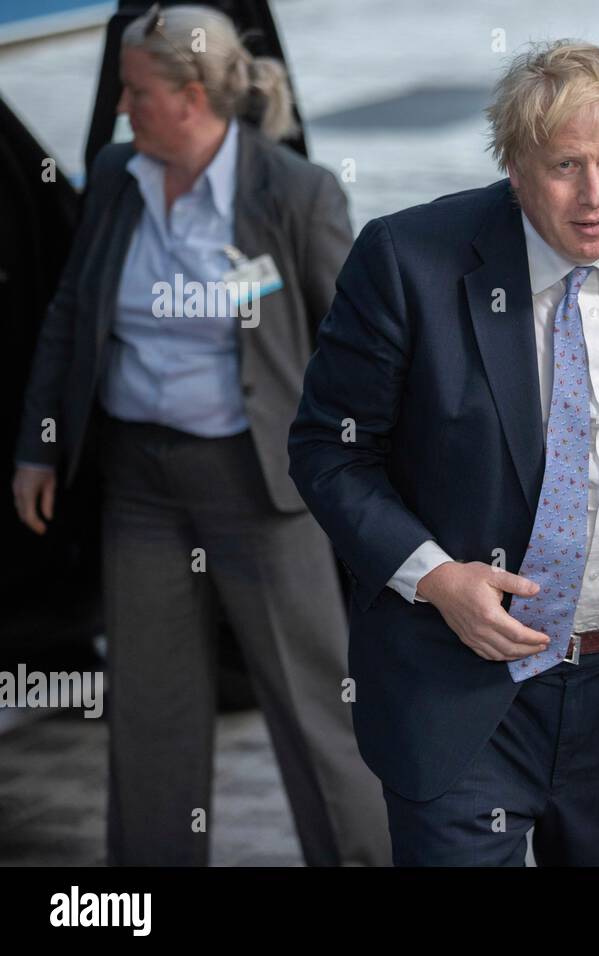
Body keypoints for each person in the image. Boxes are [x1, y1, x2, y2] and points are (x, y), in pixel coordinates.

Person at [288, 38, 599, 866]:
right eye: (563, 165)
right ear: (513, 166)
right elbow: (329, 448)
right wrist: (435, 576)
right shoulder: (409, 261)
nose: (594, 195)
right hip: (457, 688)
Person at [11, 4, 389, 866]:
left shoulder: (292, 193)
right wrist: (38, 444)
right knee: (150, 708)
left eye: (135, 91)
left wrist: (367, 478)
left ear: (189, 97)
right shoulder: (117, 176)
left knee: (310, 704)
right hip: (141, 482)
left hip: (260, 485)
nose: (118, 107)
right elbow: (73, 310)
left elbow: (362, 341)